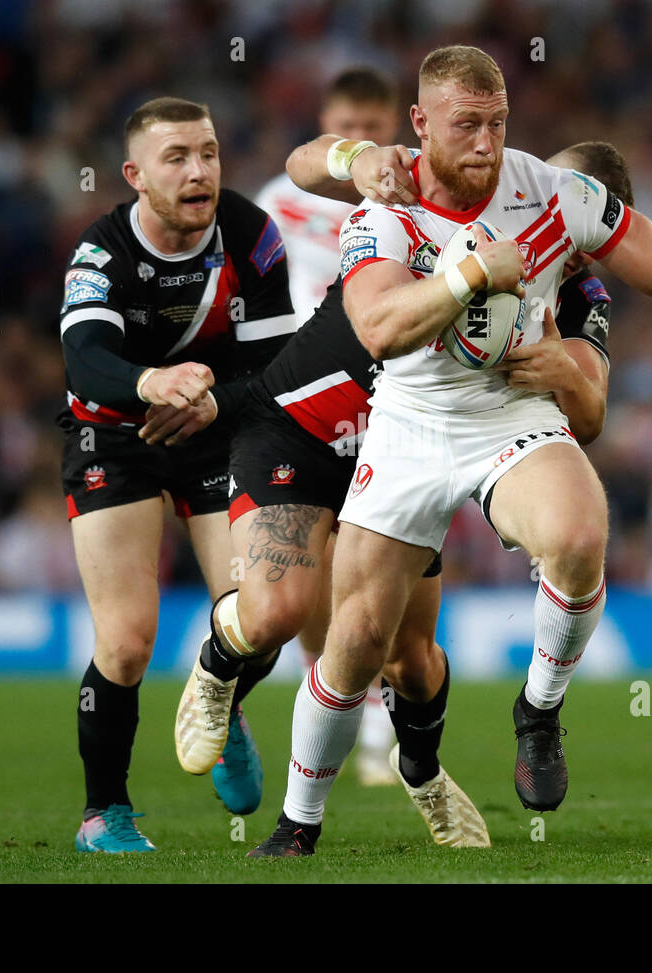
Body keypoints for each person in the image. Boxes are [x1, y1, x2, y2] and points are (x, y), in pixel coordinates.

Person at [249, 45, 652, 857]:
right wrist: (469, 272)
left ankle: (537, 711)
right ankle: (298, 824)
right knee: (356, 639)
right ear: (421, 124)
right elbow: (379, 328)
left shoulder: (554, 195)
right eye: (467, 125)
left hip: (509, 413)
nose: (486, 143)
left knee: (577, 536)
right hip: (408, 421)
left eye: (498, 123)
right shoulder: (381, 205)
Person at [172, 135, 626, 853]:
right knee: (280, 612)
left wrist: (565, 375)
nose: (537, 206)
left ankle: (421, 771)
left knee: (412, 659)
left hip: (398, 452)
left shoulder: (574, 294)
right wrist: (355, 157)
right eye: (539, 189)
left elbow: (592, 414)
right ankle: (219, 667)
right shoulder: (440, 209)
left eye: (562, 202)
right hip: (302, 431)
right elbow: (300, 166)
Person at [60, 96, 296, 852]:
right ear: (134, 176)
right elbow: (84, 359)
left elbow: (275, 370)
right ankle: (106, 815)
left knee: (262, 616)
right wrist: (148, 385)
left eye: (209, 152)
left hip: (212, 430)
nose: (199, 171)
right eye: (177, 157)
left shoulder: (253, 236)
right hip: (114, 433)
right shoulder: (101, 253)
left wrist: (209, 405)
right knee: (127, 640)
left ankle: (216, 696)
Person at [253, 66, 403, 786]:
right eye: (350, 127)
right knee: (313, 564)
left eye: (376, 129)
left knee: (379, 553)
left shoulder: (413, 203)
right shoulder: (277, 206)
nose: (364, 141)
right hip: (302, 401)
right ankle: (336, 686)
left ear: (395, 129)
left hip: (390, 403)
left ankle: (376, 701)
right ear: (326, 123)